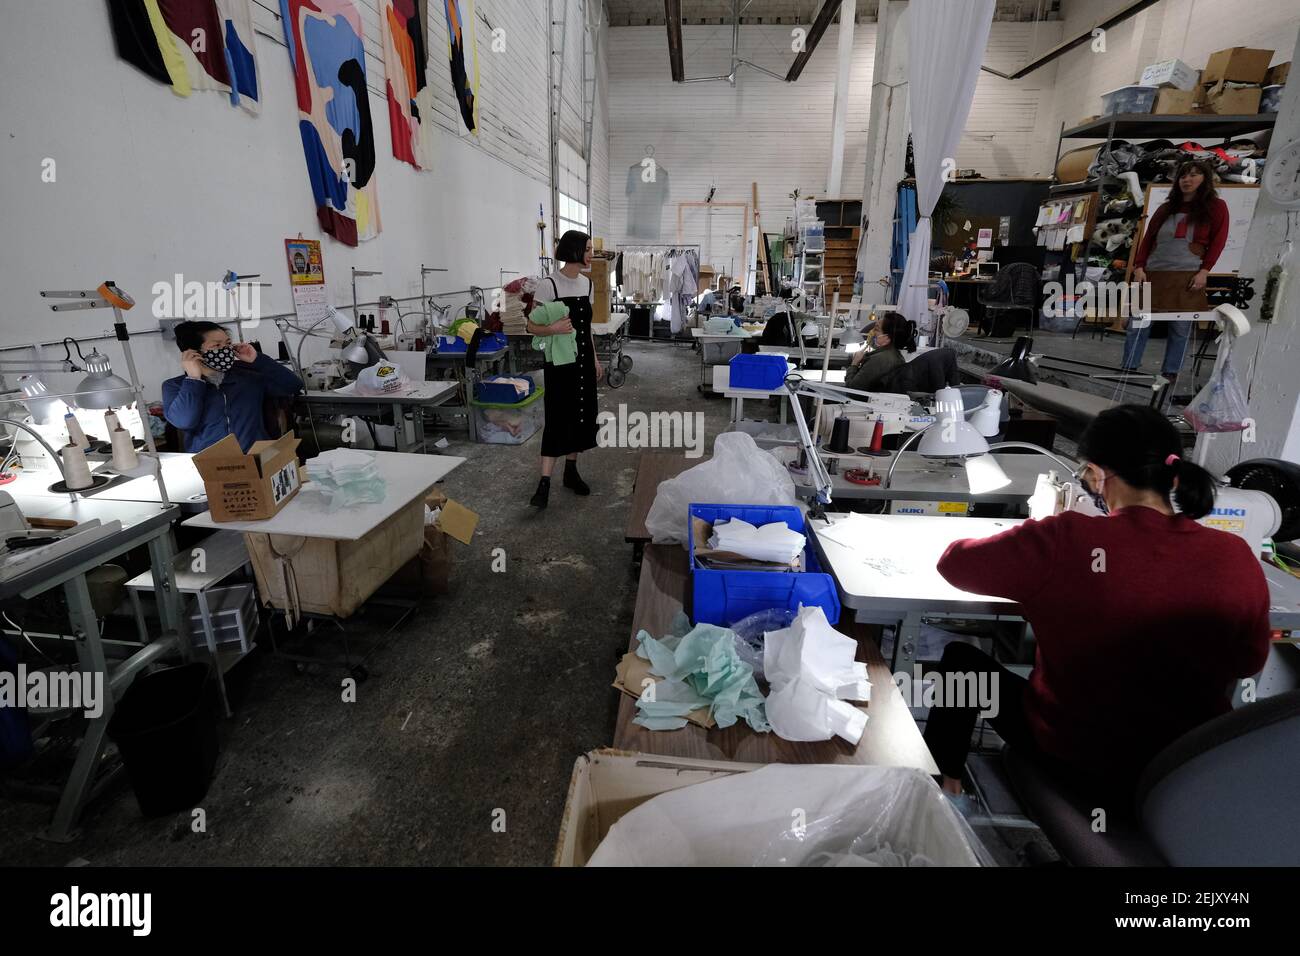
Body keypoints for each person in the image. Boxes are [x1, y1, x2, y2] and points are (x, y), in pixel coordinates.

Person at [922, 404, 1270, 810]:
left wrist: (1042, 547)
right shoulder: (1233, 553)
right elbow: (1248, 661)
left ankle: (945, 792)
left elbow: (954, 564)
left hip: (1079, 761)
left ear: (1099, 473)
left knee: (962, 665)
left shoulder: (1067, 539)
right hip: (1182, 773)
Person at [1122, 159, 1229, 380]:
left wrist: (1204, 271)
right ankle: (1129, 366)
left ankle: (1170, 371)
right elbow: (1148, 239)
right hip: (1153, 272)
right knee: (1137, 323)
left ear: (1205, 179)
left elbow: (1218, 241)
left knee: (1180, 328)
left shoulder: (1216, 207)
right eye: (1183, 175)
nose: (1187, 180)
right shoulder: (1165, 208)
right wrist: (1139, 266)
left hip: (1187, 275)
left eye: (1193, 175)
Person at [527, 230, 602, 509]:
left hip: (583, 360)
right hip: (559, 363)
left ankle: (571, 471)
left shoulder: (588, 284)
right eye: (588, 249)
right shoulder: (549, 285)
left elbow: (587, 329)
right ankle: (544, 483)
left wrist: (594, 359)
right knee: (557, 418)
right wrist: (552, 328)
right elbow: (530, 326)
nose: (591, 254)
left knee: (581, 416)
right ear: (573, 251)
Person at [162, 321, 304, 453]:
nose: (225, 350)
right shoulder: (175, 386)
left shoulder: (248, 378)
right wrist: (193, 380)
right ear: (193, 352)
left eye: (228, 344)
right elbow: (185, 421)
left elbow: (293, 385)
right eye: (217, 346)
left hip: (255, 457)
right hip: (209, 465)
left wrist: (258, 359)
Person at [843, 312, 915, 392]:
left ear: (887, 338)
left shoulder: (880, 359)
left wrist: (854, 364)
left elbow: (852, 390)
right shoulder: (893, 355)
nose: (871, 332)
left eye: (876, 329)